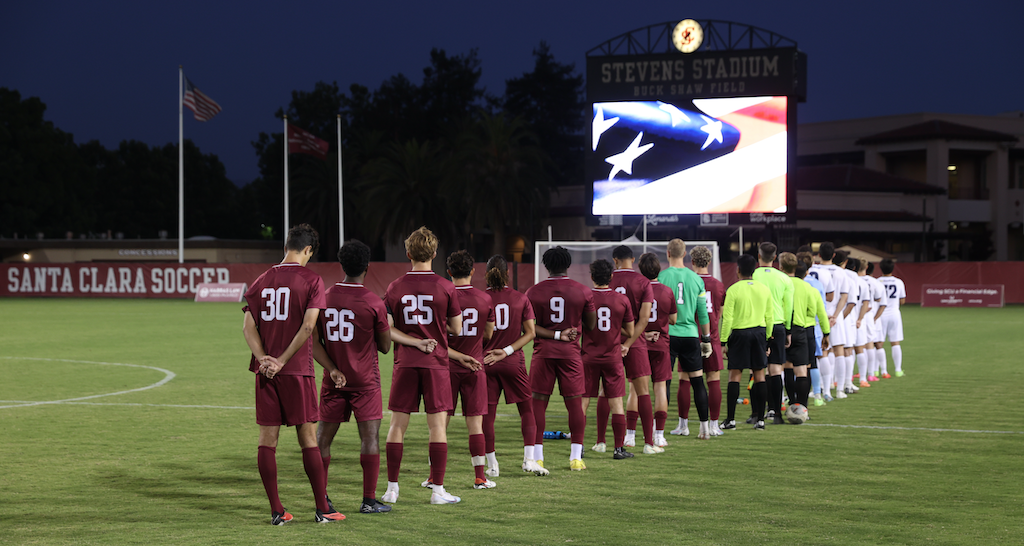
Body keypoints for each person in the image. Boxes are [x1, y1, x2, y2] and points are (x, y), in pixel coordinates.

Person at [241, 223, 346, 524]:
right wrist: (283, 361)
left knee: (267, 441)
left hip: (265, 373)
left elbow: (248, 327)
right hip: (296, 371)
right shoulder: (311, 280)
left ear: (286, 245)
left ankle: (277, 511)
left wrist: (264, 360)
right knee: (308, 439)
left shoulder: (262, 279)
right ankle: (322, 509)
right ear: (308, 250)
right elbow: (309, 328)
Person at [381, 227, 470, 505]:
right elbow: (456, 328)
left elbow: (386, 329)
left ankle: (392, 489)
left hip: (405, 362)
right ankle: (437, 490)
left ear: (408, 253)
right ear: (434, 253)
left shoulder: (395, 286)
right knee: (437, 427)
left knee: (397, 425)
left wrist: (413, 336)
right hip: (435, 363)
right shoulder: (446, 286)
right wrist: (433, 322)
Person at [312, 240, 392, 514]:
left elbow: (313, 342)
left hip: (333, 381)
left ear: (341, 265)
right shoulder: (373, 302)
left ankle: (321, 498)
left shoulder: (324, 297)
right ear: (367, 268)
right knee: (369, 439)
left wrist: (333, 368)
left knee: (322, 439)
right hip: (365, 382)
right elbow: (384, 346)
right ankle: (368, 501)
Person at [525, 246, 597, 471]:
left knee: (538, 404)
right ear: (569, 264)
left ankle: (538, 457)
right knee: (575, 404)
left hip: (543, 353)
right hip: (570, 354)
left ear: (545, 266)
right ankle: (576, 458)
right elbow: (592, 325)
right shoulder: (583, 291)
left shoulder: (533, 292)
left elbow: (529, 327)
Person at [437, 250, 496, 490]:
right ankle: (480, 477)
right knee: (475, 425)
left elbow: (439, 336)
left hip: (446, 367)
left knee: (440, 424)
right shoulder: (485, 299)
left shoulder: (442, 297)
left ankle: (434, 478)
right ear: (473, 271)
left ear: (449, 272)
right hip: (475, 365)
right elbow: (489, 334)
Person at [480, 255, 542, 476]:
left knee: (487, 416)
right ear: (508, 274)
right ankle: (528, 460)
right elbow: (531, 333)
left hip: (485, 361)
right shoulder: (520, 298)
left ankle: (492, 465)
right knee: (526, 410)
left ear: (486, 274)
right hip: (512, 361)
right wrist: (506, 351)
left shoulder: (480, 298)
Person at [657, 239, 713, 440]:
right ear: (685, 254)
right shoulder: (696, 279)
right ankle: (705, 429)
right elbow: (703, 313)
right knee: (698, 382)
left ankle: (659, 432)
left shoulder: (662, 277)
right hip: (690, 335)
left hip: (668, 335)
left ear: (668, 253)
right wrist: (706, 338)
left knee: (665, 383)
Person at [582, 259, 636, 460]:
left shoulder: (585, 297)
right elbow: (630, 331)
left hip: (588, 357)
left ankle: (578, 447)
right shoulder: (622, 300)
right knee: (617, 403)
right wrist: (614, 327)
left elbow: (581, 326)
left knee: (583, 402)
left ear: (592, 277)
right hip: (612, 357)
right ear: (611, 277)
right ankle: (618, 449)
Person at [608, 246, 659, 452]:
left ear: (615, 260)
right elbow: (645, 318)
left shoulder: (608, 279)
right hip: (636, 341)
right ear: (633, 259)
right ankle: (648, 443)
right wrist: (628, 343)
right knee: (643, 392)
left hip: (610, 341)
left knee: (606, 392)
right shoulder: (643, 282)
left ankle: (601, 442)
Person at [719, 254, 774, 431]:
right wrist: (767, 339)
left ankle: (731, 420)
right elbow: (769, 317)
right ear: (754, 270)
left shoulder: (733, 289)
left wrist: (723, 341)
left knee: (735, 376)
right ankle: (760, 420)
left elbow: (727, 318)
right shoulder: (764, 289)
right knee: (759, 375)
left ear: (738, 270)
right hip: (759, 333)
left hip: (739, 334)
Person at [781, 253, 831, 409]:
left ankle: (789, 401)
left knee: (788, 368)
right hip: (805, 330)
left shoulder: (783, 285)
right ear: (806, 273)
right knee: (807, 367)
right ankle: (806, 404)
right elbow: (821, 313)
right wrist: (826, 333)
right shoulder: (810, 289)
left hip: (785, 328)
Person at [637, 253, 678, 444]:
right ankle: (659, 435)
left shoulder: (637, 290)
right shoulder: (667, 291)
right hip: (661, 343)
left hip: (639, 343)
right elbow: (673, 319)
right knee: (660, 388)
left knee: (635, 388)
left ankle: (630, 435)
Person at [751, 242, 793, 425]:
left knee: (756, 370)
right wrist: (788, 330)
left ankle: (756, 414)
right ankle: (776, 413)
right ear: (775, 258)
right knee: (775, 370)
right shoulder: (784, 278)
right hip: (777, 325)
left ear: (759, 256)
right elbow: (788, 306)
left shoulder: (753, 275)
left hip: (758, 324)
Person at [688, 246, 725, 435]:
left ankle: (683, 424)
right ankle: (714, 425)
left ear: (692, 261)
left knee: (685, 379)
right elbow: (720, 312)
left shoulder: (689, 282)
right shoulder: (718, 285)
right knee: (713, 379)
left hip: (691, 334)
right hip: (713, 336)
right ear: (709, 262)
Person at [811, 242, 849, 399]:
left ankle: (818, 388)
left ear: (819, 255)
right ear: (834, 255)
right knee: (839, 351)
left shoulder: (813, 270)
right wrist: (835, 315)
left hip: (817, 316)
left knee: (820, 353)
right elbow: (844, 296)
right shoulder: (841, 272)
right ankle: (839, 389)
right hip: (835, 316)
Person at [797, 251, 829, 404]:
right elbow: (822, 308)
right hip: (813, 326)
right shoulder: (816, 284)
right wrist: (826, 331)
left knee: (791, 364)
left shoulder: (789, 283)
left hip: (794, 327)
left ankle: (789, 397)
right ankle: (817, 395)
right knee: (812, 362)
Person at [856, 259, 886, 383]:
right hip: (868, 315)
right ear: (867, 267)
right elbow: (879, 300)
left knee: (853, 346)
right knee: (869, 343)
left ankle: (856, 373)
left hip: (853, 314)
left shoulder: (852, 280)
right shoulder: (875, 282)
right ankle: (870, 374)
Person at [877, 259, 907, 377]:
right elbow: (903, 300)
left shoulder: (877, 281)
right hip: (894, 314)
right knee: (895, 342)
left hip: (880, 314)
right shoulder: (898, 282)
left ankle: (878, 370)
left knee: (878, 343)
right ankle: (898, 370)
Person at [864, 262, 890, 378]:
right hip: (874, 318)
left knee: (860, 346)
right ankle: (881, 371)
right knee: (878, 344)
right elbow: (883, 304)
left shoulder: (855, 281)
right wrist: (875, 318)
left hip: (859, 318)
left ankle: (866, 372)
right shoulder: (877, 283)